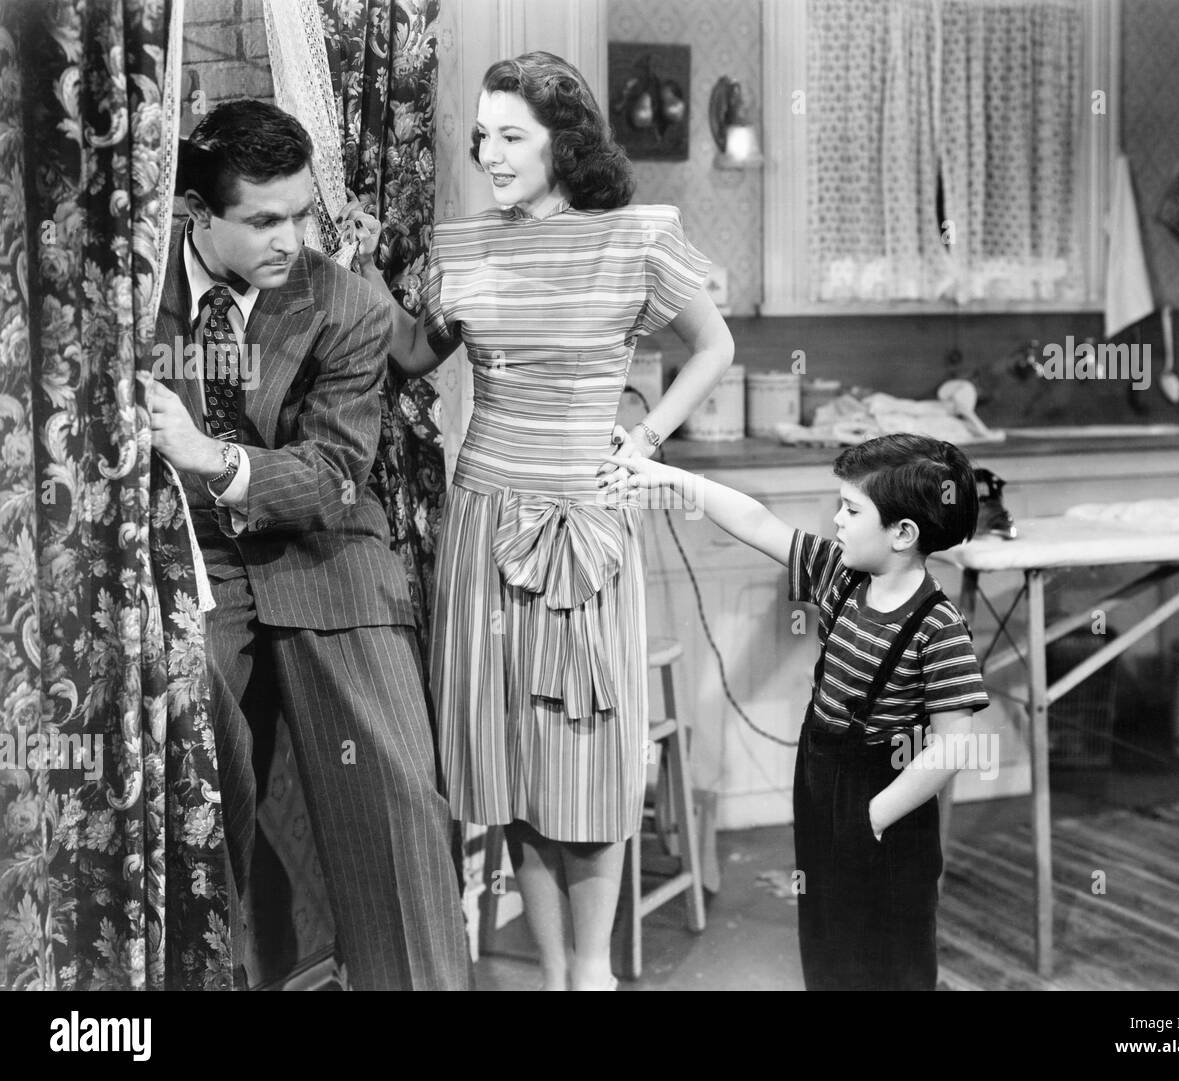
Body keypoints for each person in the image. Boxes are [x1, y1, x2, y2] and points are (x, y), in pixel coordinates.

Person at [346, 51, 734, 990]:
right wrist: (352, 268)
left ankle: (593, 973)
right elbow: (408, 354)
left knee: (588, 762)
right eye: (483, 136)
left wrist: (644, 439)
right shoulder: (469, 248)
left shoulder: (636, 238)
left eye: (512, 135)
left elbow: (715, 346)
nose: (491, 153)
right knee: (514, 762)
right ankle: (555, 974)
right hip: (483, 519)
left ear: (566, 141)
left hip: (583, 527)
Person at [148, 99, 470, 990]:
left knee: (400, 798)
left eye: (302, 212)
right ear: (197, 216)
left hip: (326, 554)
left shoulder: (347, 303)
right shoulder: (135, 295)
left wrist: (210, 457)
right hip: (197, 564)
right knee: (189, 774)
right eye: (263, 220)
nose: (291, 238)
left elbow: (333, 475)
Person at [601, 433, 989, 990]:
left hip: (888, 809)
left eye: (852, 509)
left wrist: (874, 816)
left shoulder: (938, 624)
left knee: (891, 953)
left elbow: (955, 742)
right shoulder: (839, 574)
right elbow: (757, 522)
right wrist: (670, 478)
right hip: (819, 783)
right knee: (826, 935)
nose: (836, 520)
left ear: (903, 534)